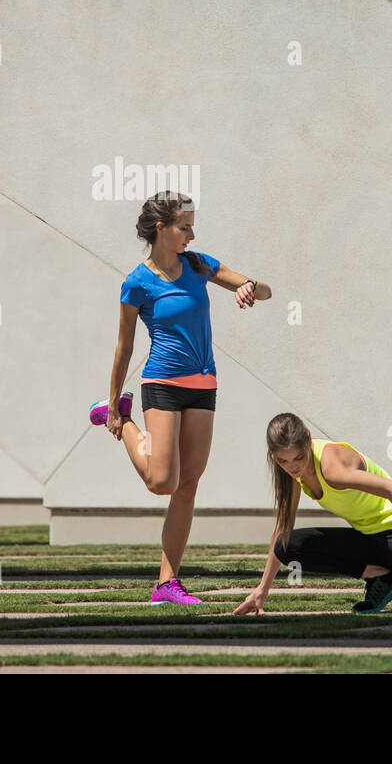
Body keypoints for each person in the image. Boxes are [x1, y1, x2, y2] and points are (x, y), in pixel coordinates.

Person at [97, 190, 270, 605]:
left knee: (187, 487)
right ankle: (122, 420)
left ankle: (166, 583)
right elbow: (124, 347)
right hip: (162, 385)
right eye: (184, 227)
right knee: (162, 481)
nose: (191, 235)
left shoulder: (199, 265)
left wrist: (249, 287)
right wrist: (116, 401)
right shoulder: (136, 283)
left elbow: (263, 290)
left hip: (204, 385)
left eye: (192, 227)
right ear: (162, 229)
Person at [235, 412, 392, 615]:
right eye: (283, 461)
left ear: (308, 441)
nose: (292, 466)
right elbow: (283, 525)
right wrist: (261, 590)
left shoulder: (330, 467)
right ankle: (381, 577)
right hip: (370, 539)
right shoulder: (290, 473)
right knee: (286, 545)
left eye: (298, 457)